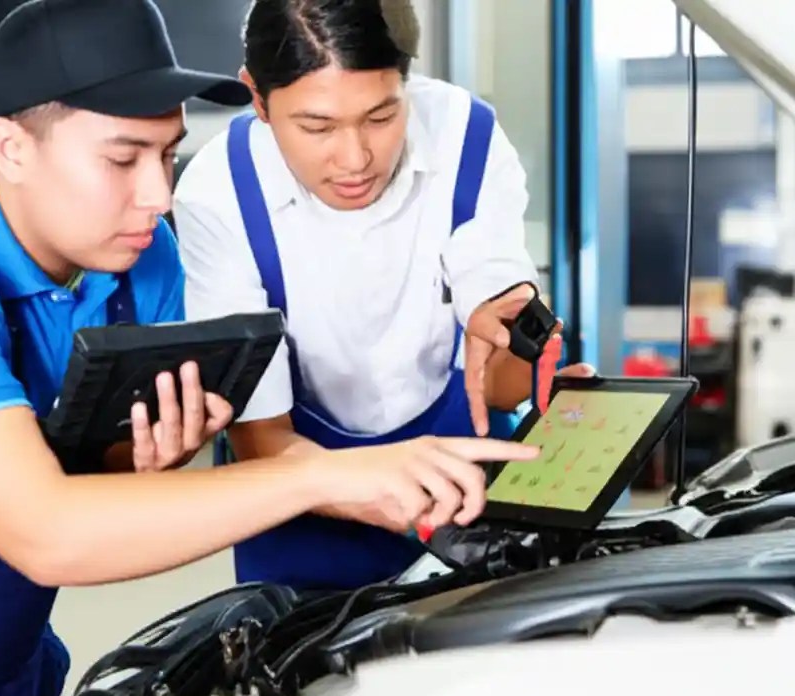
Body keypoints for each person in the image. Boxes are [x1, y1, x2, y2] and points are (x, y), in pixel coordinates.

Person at [0, 1, 539, 696]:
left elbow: (90, 475)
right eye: (122, 160)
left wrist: (146, 456)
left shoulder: (135, 263)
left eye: (167, 155)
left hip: (12, 670)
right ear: (10, 147)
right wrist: (324, 475)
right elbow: (45, 532)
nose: (159, 194)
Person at [173, 0, 593, 592]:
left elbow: (493, 380)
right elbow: (261, 438)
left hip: (470, 510)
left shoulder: (464, 137)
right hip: (303, 518)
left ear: (406, 82)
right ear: (258, 98)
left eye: (381, 116)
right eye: (317, 127)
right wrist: (408, 501)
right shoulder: (221, 193)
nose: (356, 159)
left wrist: (533, 372)